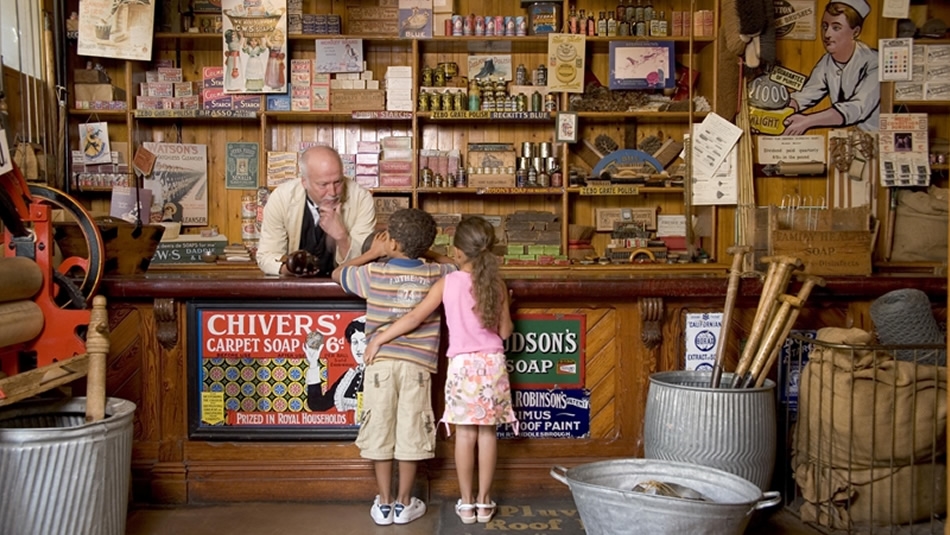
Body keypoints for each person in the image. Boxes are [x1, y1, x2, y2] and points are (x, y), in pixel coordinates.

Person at [363, 215, 517, 525]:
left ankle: (466, 503)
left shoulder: (448, 282)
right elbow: (504, 332)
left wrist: (379, 338)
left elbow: (414, 318)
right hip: (492, 366)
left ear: (458, 252)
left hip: (462, 367)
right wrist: (508, 306)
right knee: (488, 434)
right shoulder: (497, 283)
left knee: (464, 435)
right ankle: (484, 504)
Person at [331, 208, 457, 526]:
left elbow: (338, 273)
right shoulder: (436, 274)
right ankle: (404, 503)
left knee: (380, 429)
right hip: (417, 366)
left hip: (380, 364)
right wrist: (421, 248)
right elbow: (458, 265)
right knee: (412, 432)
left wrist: (374, 252)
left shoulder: (374, 273)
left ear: (393, 243)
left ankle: (384, 502)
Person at [256, 145, 376, 276]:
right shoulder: (281, 198)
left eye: (338, 182)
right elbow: (267, 256)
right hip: (294, 287)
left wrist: (342, 237)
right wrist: (291, 268)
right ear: (304, 182)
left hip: (344, 288)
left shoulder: (362, 199)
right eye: (323, 184)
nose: (332, 192)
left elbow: (364, 261)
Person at [782, 0, 878, 135]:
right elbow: (808, 93)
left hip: (876, 140)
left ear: (855, 32)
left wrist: (807, 121)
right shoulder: (827, 61)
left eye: (836, 27)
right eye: (824, 26)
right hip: (845, 140)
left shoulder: (875, 63)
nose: (827, 34)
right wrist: (783, 108)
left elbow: (856, 108)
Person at [306, 316, 366, 415]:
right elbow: (318, 405)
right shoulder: (349, 376)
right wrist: (313, 363)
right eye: (355, 342)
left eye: (364, 342)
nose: (358, 349)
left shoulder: (379, 374)